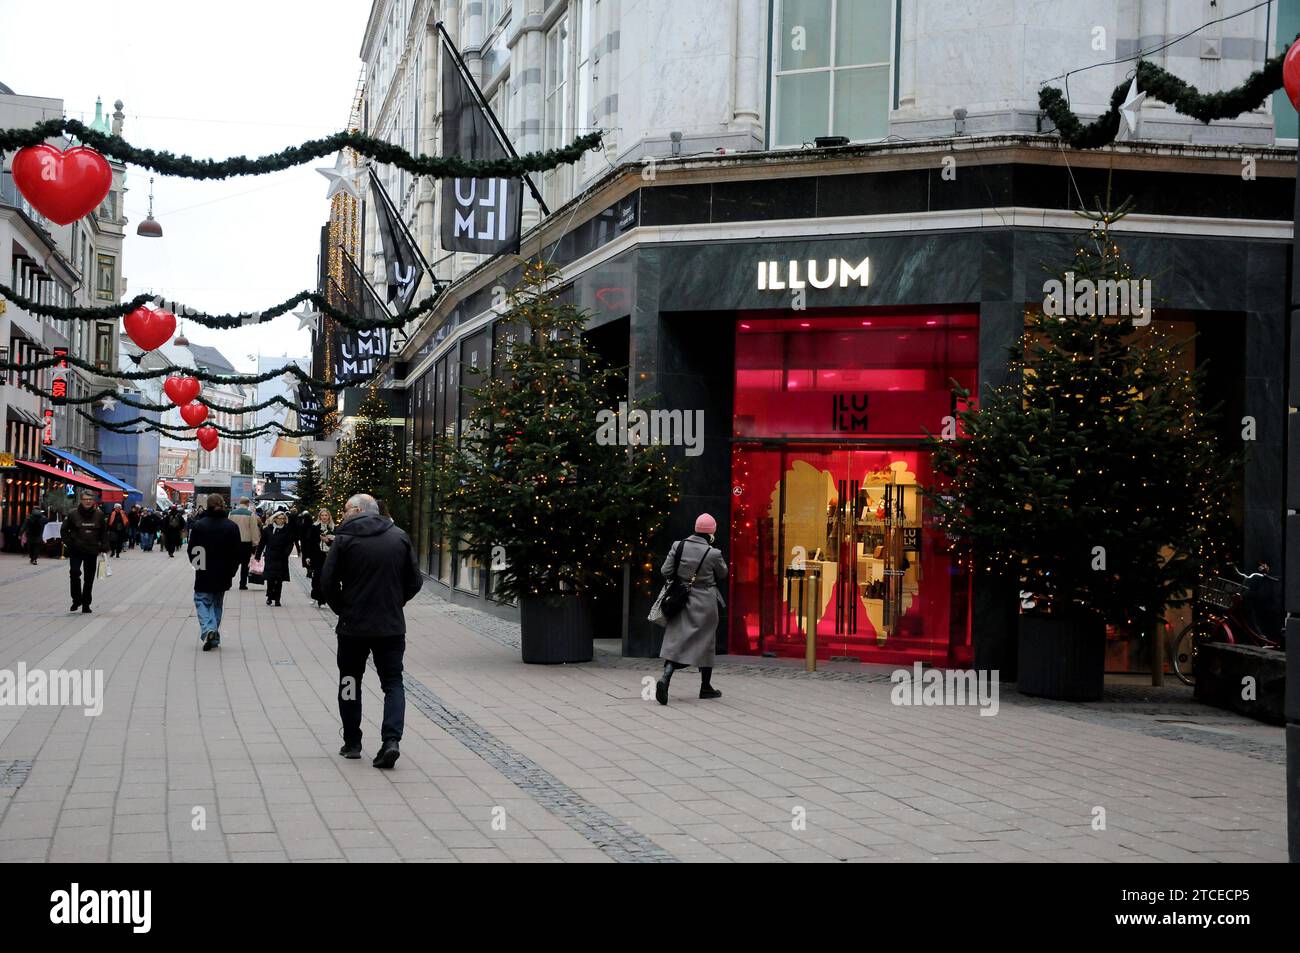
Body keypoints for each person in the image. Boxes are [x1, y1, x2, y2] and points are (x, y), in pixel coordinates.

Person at [319, 494, 422, 768]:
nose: (341, 515)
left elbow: (327, 582)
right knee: (393, 683)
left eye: (344, 510)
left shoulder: (343, 540)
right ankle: (391, 740)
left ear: (356, 510)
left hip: (353, 626)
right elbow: (415, 580)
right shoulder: (398, 536)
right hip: (390, 625)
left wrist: (342, 608)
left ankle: (352, 741)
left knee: (350, 681)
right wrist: (396, 602)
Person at [655, 513, 728, 705]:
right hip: (705, 603)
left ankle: (666, 676)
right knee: (706, 642)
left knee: (677, 640)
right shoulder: (713, 553)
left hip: (680, 599)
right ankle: (705, 687)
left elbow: (665, 571)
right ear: (712, 532)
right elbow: (723, 573)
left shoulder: (678, 546)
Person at [187, 494, 242, 652]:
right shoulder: (231, 526)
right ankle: (213, 635)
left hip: (204, 570)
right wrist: (232, 571)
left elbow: (193, 549)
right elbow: (236, 552)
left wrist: (198, 566)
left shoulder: (199, 525)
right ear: (223, 505)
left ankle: (208, 629)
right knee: (217, 603)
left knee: (202, 601)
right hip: (224, 571)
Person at [61, 490, 108, 614]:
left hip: (91, 550)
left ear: (93, 501)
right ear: (81, 500)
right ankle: (76, 599)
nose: (88, 501)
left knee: (89, 578)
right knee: (74, 573)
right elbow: (64, 531)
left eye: (90, 499)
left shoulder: (99, 514)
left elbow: (103, 532)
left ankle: (86, 603)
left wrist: (104, 546)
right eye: (85, 499)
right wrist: (70, 544)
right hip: (76, 550)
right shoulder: (72, 514)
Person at [255, 510, 295, 607]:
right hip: (271, 556)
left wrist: (287, 552)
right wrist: (258, 555)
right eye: (280, 518)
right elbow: (262, 543)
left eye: (283, 519)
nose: (282, 520)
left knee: (279, 579)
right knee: (271, 578)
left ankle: (277, 599)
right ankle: (269, 596)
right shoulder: (268, 529)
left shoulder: (287, 529)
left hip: (282, 557)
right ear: (275, 519)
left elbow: (290, 543)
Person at [228, 497, 263, 590]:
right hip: (246, 543)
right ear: (247, 504)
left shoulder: (231, 513)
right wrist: (256, 543)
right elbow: (254, 530)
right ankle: (242, 584)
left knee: (233, 563)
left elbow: (228, 528)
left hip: (233, 543)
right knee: (245, 564)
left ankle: (228, 579)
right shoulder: (250, 514)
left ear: (240, 503)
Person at [303, 507, 335, 605]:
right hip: (317, 555)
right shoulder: (314, 527)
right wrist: (307, 556)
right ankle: (316, 595)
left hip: (329, 556)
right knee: (317, 576)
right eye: (322, 515)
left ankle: (324, 598)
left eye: (326, 515)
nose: (324, 517)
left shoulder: (333, 528)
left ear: (329, 517)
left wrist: (328, 541)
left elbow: (337, 543)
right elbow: (309, 542)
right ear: (319, 516)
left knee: (327, 577)